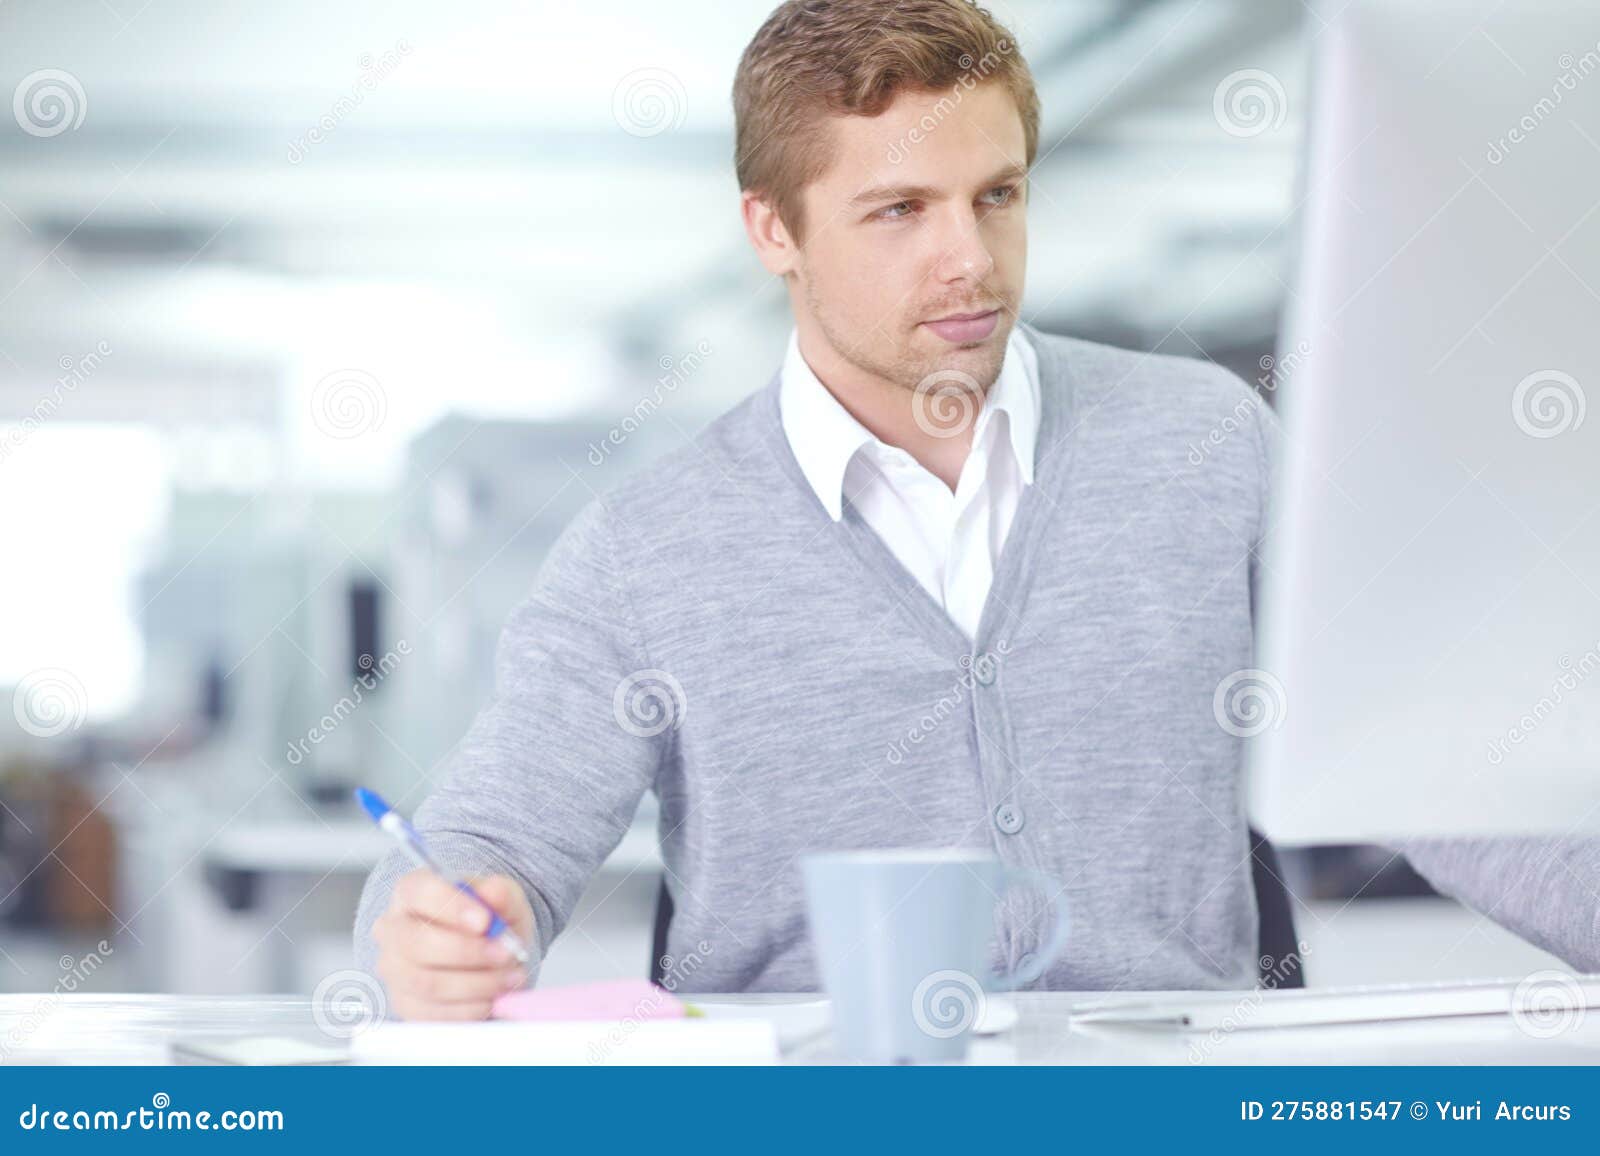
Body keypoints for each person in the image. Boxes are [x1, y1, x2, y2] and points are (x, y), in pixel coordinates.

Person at [355, 0, 1600, 1021]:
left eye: (997, 196)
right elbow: (484, 842)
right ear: (773, 230)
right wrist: (444, 926)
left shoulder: (1209, 445)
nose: (970, 259)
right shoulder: (648, 548)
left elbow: (1438, 764)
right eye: (900, 210)